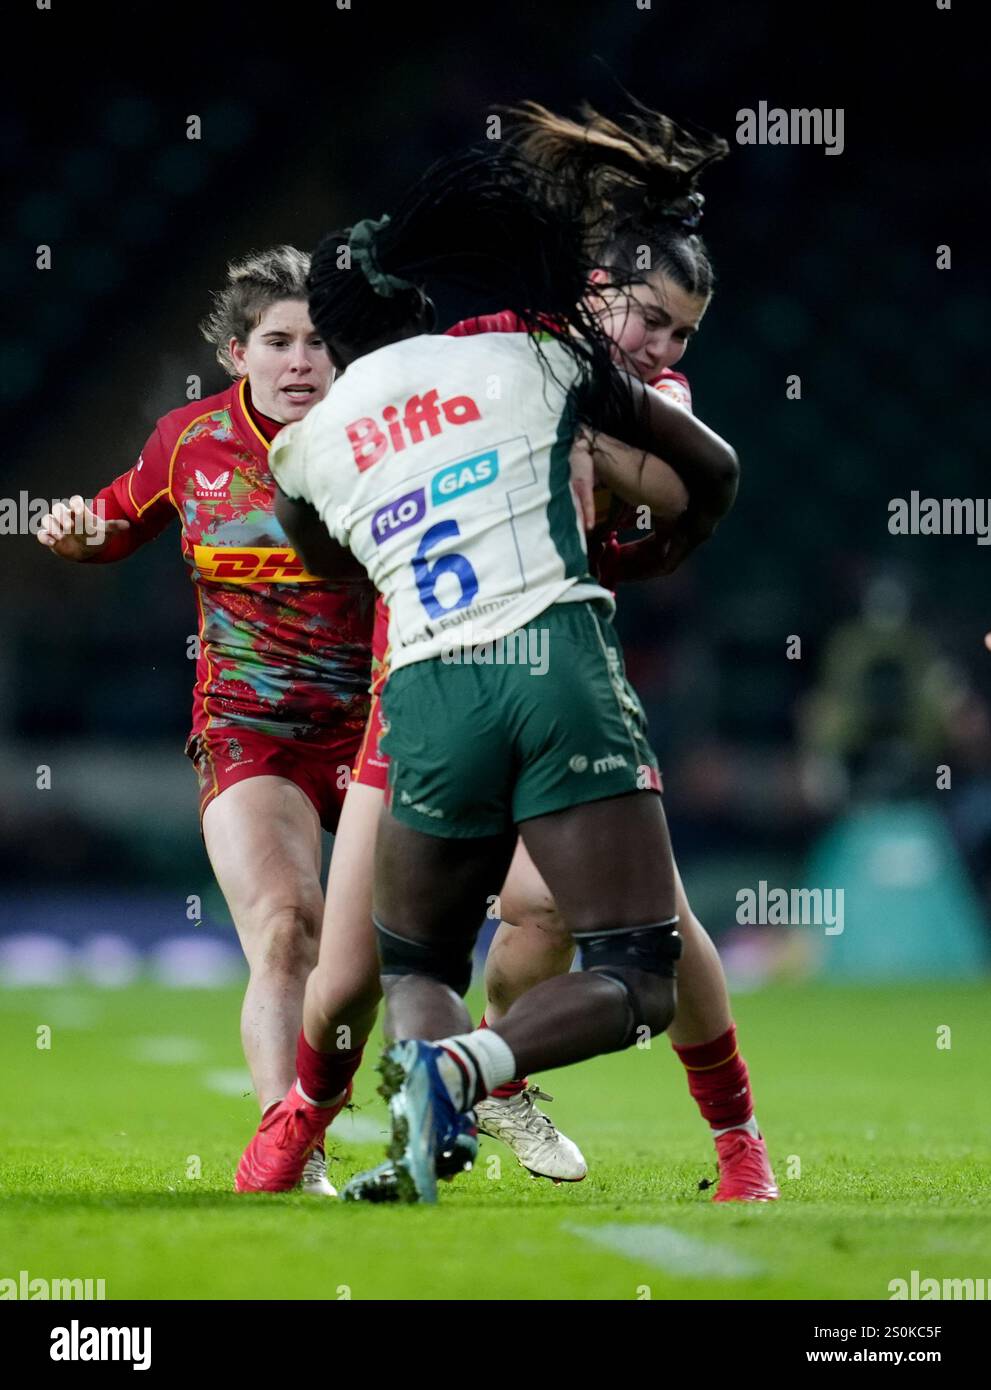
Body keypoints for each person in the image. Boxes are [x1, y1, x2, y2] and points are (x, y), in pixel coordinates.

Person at [256, 134, 741, 1204]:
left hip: (432, 683)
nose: (661, 346)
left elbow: (325, 546)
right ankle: (346, 1113)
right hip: (540, 668)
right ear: (595, 287)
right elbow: (696, 482)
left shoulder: (339, 426)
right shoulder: (532, 353)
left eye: (679, 332)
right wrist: (611, 488)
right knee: (372, 972)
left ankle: (725, 1140)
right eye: (650, 318)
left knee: (447, 952)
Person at [36, 247, 373, 1196]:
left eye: (320, 342)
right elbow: (113, 520)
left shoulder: (380, 435)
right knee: (286, 925)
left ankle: (480, 1085)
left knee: (398, 948)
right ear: (237, 355)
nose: (302, 360)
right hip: (248, 729)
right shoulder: (190, 441)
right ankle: (290, 1145)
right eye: (279, 341)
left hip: (383, 725)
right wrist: (74, 530)